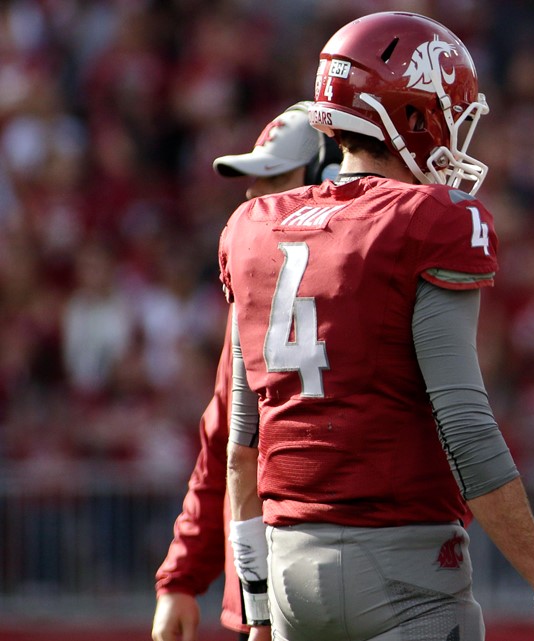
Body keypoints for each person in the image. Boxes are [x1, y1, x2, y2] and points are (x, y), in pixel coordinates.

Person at [220, 12, 534, 641]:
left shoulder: (252, 224)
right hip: (404, 575)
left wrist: (256, 609)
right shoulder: (429, 218)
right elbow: (466, 425)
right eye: (450, 115)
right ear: (415, 117)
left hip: (287, 576)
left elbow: (241, 446)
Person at [153, 100, 338, 641]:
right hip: (268, 597)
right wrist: (181, 577)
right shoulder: (256, 287)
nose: (255, 198)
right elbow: (224, 440)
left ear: (326, 177)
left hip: (354, 583)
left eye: (273, 177)